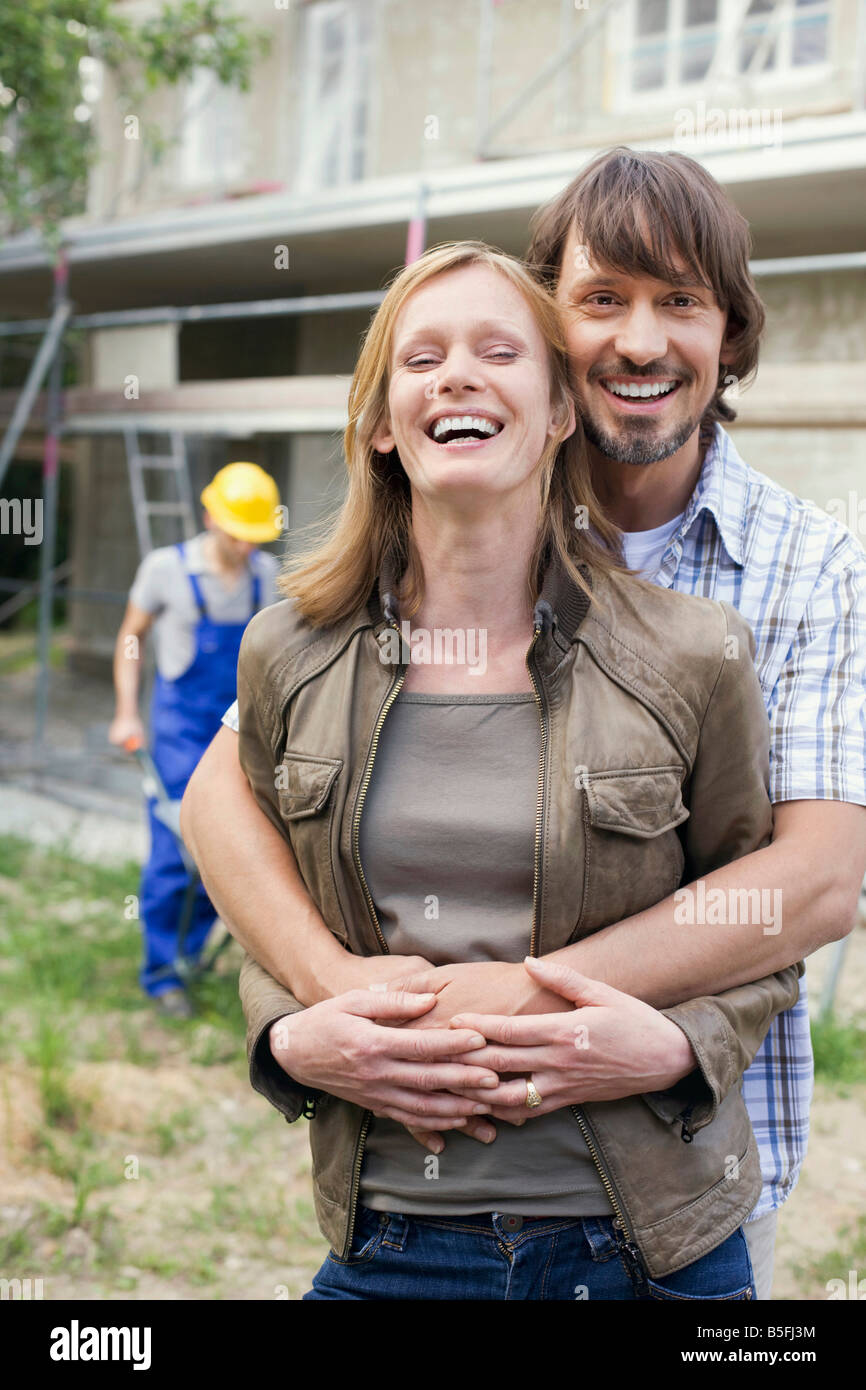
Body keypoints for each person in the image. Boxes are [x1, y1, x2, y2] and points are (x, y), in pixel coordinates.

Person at [181, 149, 866, 1297]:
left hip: (676, 1187)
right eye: (602, 300)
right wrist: (329, 991)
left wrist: (529, 1000)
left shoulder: (803, 566)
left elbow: (812, 881)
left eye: (680, 302)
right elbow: (223, 792)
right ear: (558, 337)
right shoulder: (460, 523)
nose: (640, 341)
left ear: (729, 337)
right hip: (410, 1214)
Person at [109, 462, 282, 1015]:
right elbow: (131, 638)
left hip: (235, 737)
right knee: (172, 856)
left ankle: (190, 957)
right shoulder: (166, 569)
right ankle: (162, 974)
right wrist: (125, 712)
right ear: (210, 517)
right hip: (180, 736)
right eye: (237, 534)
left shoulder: (266, 575)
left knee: (226, 854)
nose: (245, 547)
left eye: (254, 538)